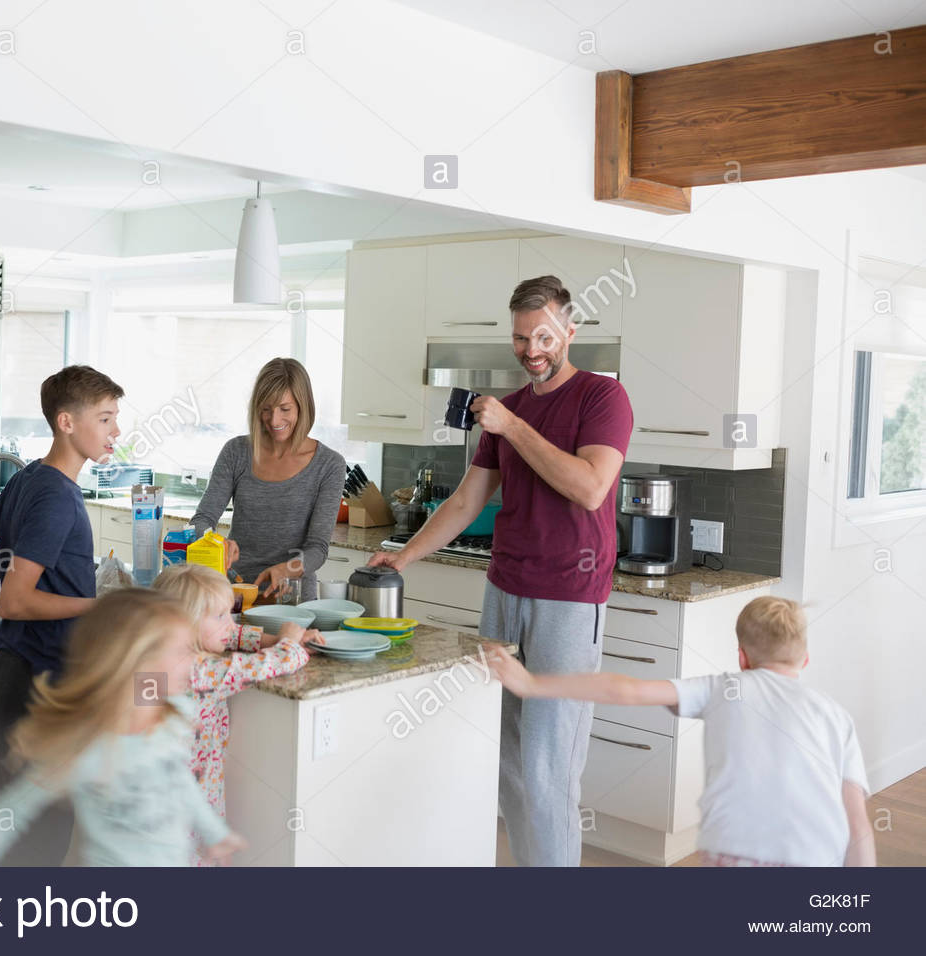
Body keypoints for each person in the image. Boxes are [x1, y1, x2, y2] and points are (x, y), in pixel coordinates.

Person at [368, 275, 634, 867]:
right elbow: (465, 501)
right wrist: (405, 555)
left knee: (548, 765)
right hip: (504, 593)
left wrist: (513, 426)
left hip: (569, 598)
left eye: (542, 336)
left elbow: (590, 489)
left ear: (570, 329)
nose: (531, 350)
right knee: (508, 763)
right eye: (519, 339)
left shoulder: (601, 399)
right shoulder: (507, 410)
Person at [488, 596, 875, 867]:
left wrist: (532, 685)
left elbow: (624, 689)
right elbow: (857, 823)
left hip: (739, 851)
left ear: (741, 657)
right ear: (805, 658)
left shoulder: (722, 688)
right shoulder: (836, 717)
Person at [0, 364, 123, 863]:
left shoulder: (31, 478)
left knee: (3, 824)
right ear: (67, 422)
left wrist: (22, 577)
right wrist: (98, 606)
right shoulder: (58, 497)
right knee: (40, 837)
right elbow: (14, 601)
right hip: (36, 682)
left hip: (2, 672)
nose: (116, 431)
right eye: (106, 418)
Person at [0, 589, 246, 867]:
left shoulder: (175, 718)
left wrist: (213, 833)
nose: (194, 661)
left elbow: (178, 781)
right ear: (137, 661)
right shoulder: (89, 749)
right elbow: (11, 810)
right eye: (182, 651)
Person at [152, 564, 321, 862]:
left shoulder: (158, 657)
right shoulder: (199, 673)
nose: (230, 624)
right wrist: (289, 643)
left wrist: (269, 639)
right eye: (220, 615)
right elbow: (267, 665)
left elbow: (228, 635)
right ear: (183, 623)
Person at [191, 357, 345, 600]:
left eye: (285, 409)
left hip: (293, 599)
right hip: (235, 594)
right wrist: (214, 541)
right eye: (266, 409)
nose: (274, 420)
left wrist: (287, 569)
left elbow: (317, 548)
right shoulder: (236, 452)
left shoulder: (329, 465)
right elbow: (202, 519)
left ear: (302, 407)